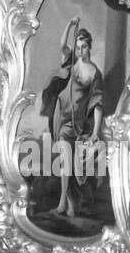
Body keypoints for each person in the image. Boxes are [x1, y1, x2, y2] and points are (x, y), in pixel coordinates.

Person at [40, 18, 105, 216]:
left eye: (84, 47)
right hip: (63, 120)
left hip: (79, 124)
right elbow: (62, 45)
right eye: (78, 47)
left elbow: (97, 105)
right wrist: (69, 24)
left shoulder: (94, 73)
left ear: (89, 47)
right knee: (65, 162)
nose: (80, 51)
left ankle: (70, 202)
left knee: (78, 172)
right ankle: (63, 203)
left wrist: (95, 132)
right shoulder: (72, 62)